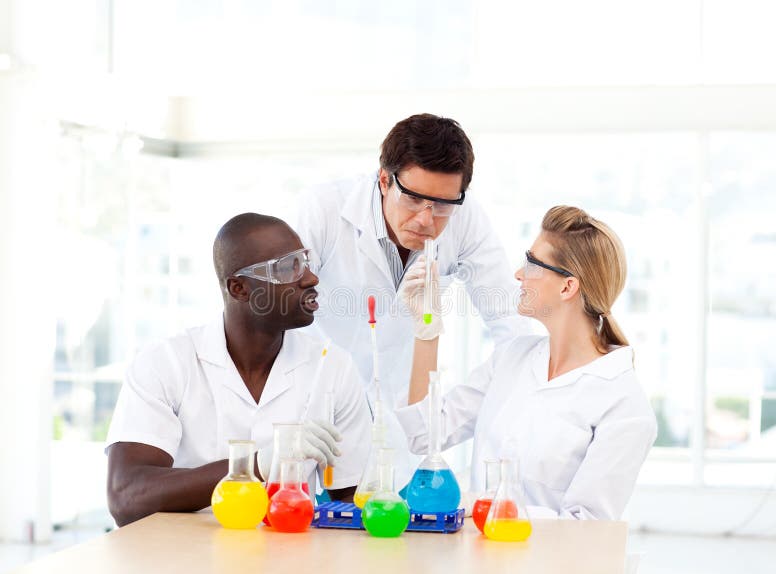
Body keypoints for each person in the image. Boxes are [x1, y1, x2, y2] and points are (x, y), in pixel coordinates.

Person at [294, 113, 530, 487]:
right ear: (384, 180)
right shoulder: (322, 210)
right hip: (318, 417)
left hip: (402, 428)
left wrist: (470, 411)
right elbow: (284, 320)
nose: (426, 219)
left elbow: (514, 325)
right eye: (415, 199)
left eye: (441, 205)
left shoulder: (466, 221)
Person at [106, 213, 371, 526]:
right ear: (239, 288)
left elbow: (349, 510)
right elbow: (126, 497)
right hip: (181, 559)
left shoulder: (334, 369)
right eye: (288, 267)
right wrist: (257, 465)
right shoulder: (165, 363)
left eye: (305, 261)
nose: (310, 278)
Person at [396, 206, 657, 520]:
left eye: (532, 263)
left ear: (568, 287)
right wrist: (427, 330)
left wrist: (485, 509)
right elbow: (424, 435)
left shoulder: (624, 405)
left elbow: (586, 525)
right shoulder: (513, 357)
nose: (519, 274)